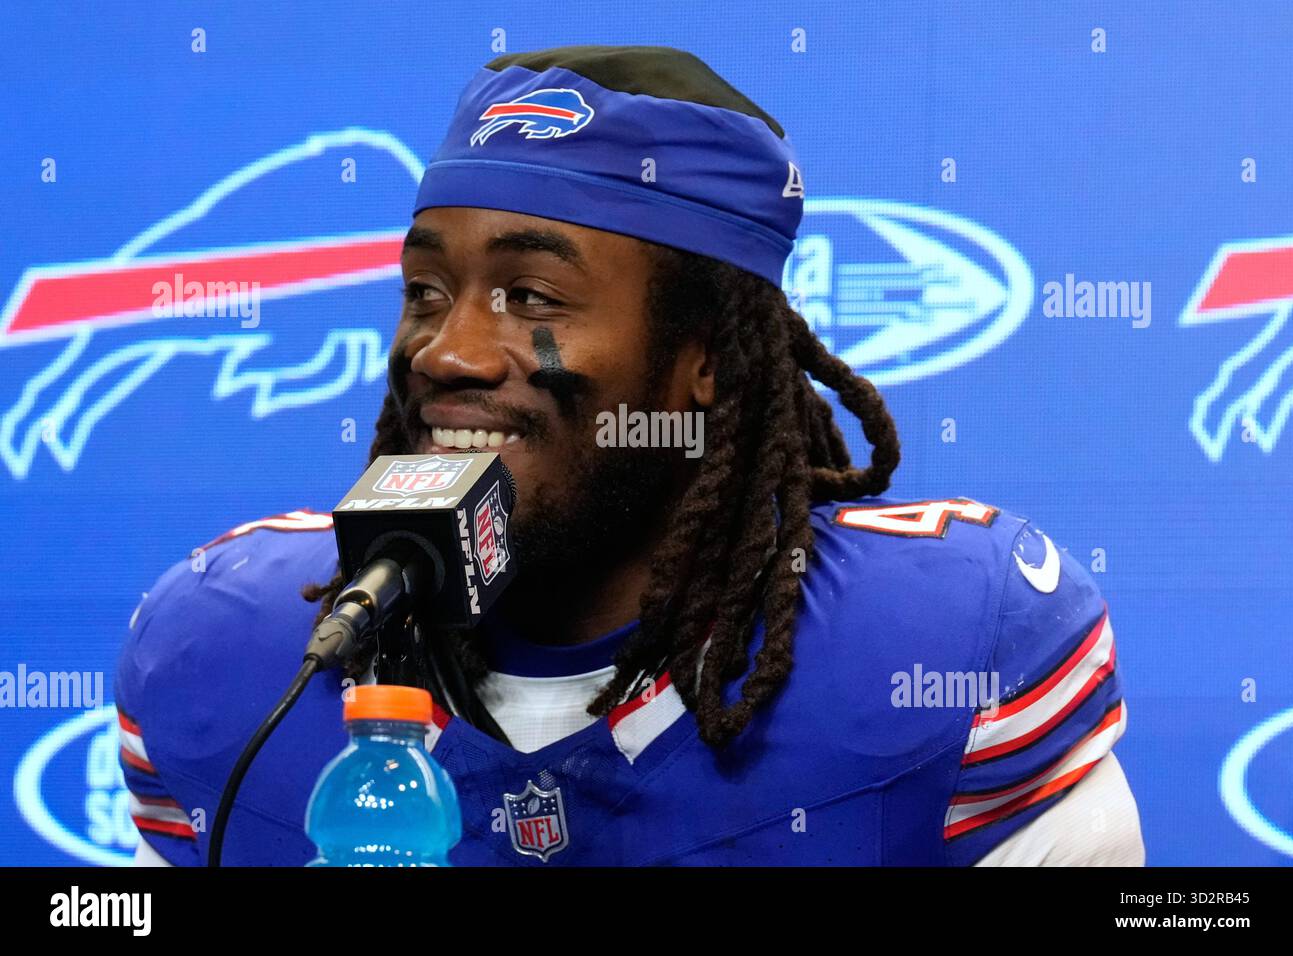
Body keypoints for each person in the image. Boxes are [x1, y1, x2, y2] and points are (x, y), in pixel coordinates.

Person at [116, 44, 1143, 866]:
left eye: (533, 298)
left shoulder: (944, 652)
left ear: (703, 358)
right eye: (426, 292)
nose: (450, 350)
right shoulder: (232, 652)